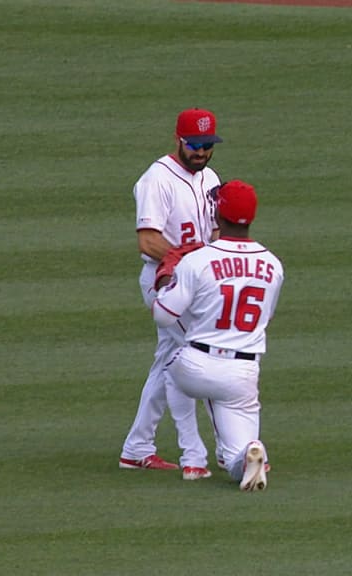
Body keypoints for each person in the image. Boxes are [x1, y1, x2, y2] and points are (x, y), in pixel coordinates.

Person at [152, 179, 284, 491]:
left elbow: (163, 314)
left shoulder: (197, 261)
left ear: (217, 214)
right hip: (243, 373)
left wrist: (165, 280)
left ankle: (193, 457)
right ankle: (251, 453)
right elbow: (267, 315)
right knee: (237, 456)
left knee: (170, 368)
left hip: (195, 365)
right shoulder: (273, 265)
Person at [119, 108, 224, 480]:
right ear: (178, 140)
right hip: (164, 284)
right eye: (195, 145)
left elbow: (214, 231)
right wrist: (187, 258)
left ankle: (136, 449)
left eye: (207, 145)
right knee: (197, 355)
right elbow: (148, 241)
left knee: (167, 361)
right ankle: (202, 453)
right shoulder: (156, 179)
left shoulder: (210, 177)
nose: (201, 152)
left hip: (196, 284)